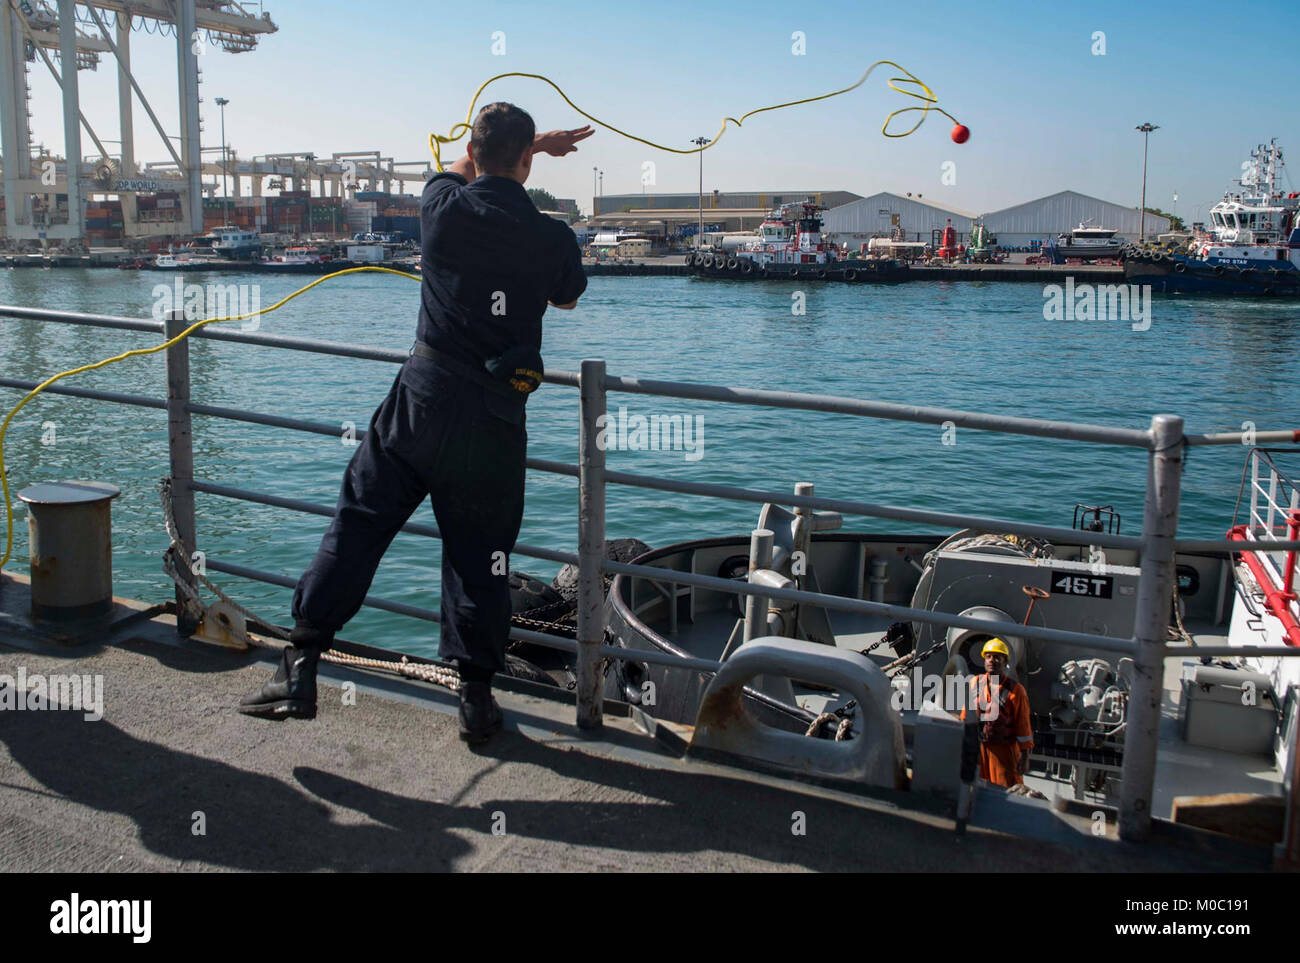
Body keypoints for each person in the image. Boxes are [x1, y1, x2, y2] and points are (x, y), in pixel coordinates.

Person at [238, 103, 594, 745]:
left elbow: (459, 165)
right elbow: (567, 296)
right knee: (480, 558)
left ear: (477, 155)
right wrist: (532, 158)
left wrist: (527, 146)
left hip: (419, 406)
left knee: (358, 526)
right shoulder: (551, 235)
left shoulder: (442, 208)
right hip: (492, 419)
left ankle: (301, 663)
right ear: (522, 162)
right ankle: (477, 700)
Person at [960, 638, 1034, 787]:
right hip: (978, 749)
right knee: (974, 785)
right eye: (988, 657)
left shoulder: (1016, 691)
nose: (992, 661)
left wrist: (1025, 757)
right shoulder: (975, 682)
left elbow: (1023, 725)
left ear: (1005, 661)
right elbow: (965, 716)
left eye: (997, 657)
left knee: (1005, 787)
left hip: (1004, 752)